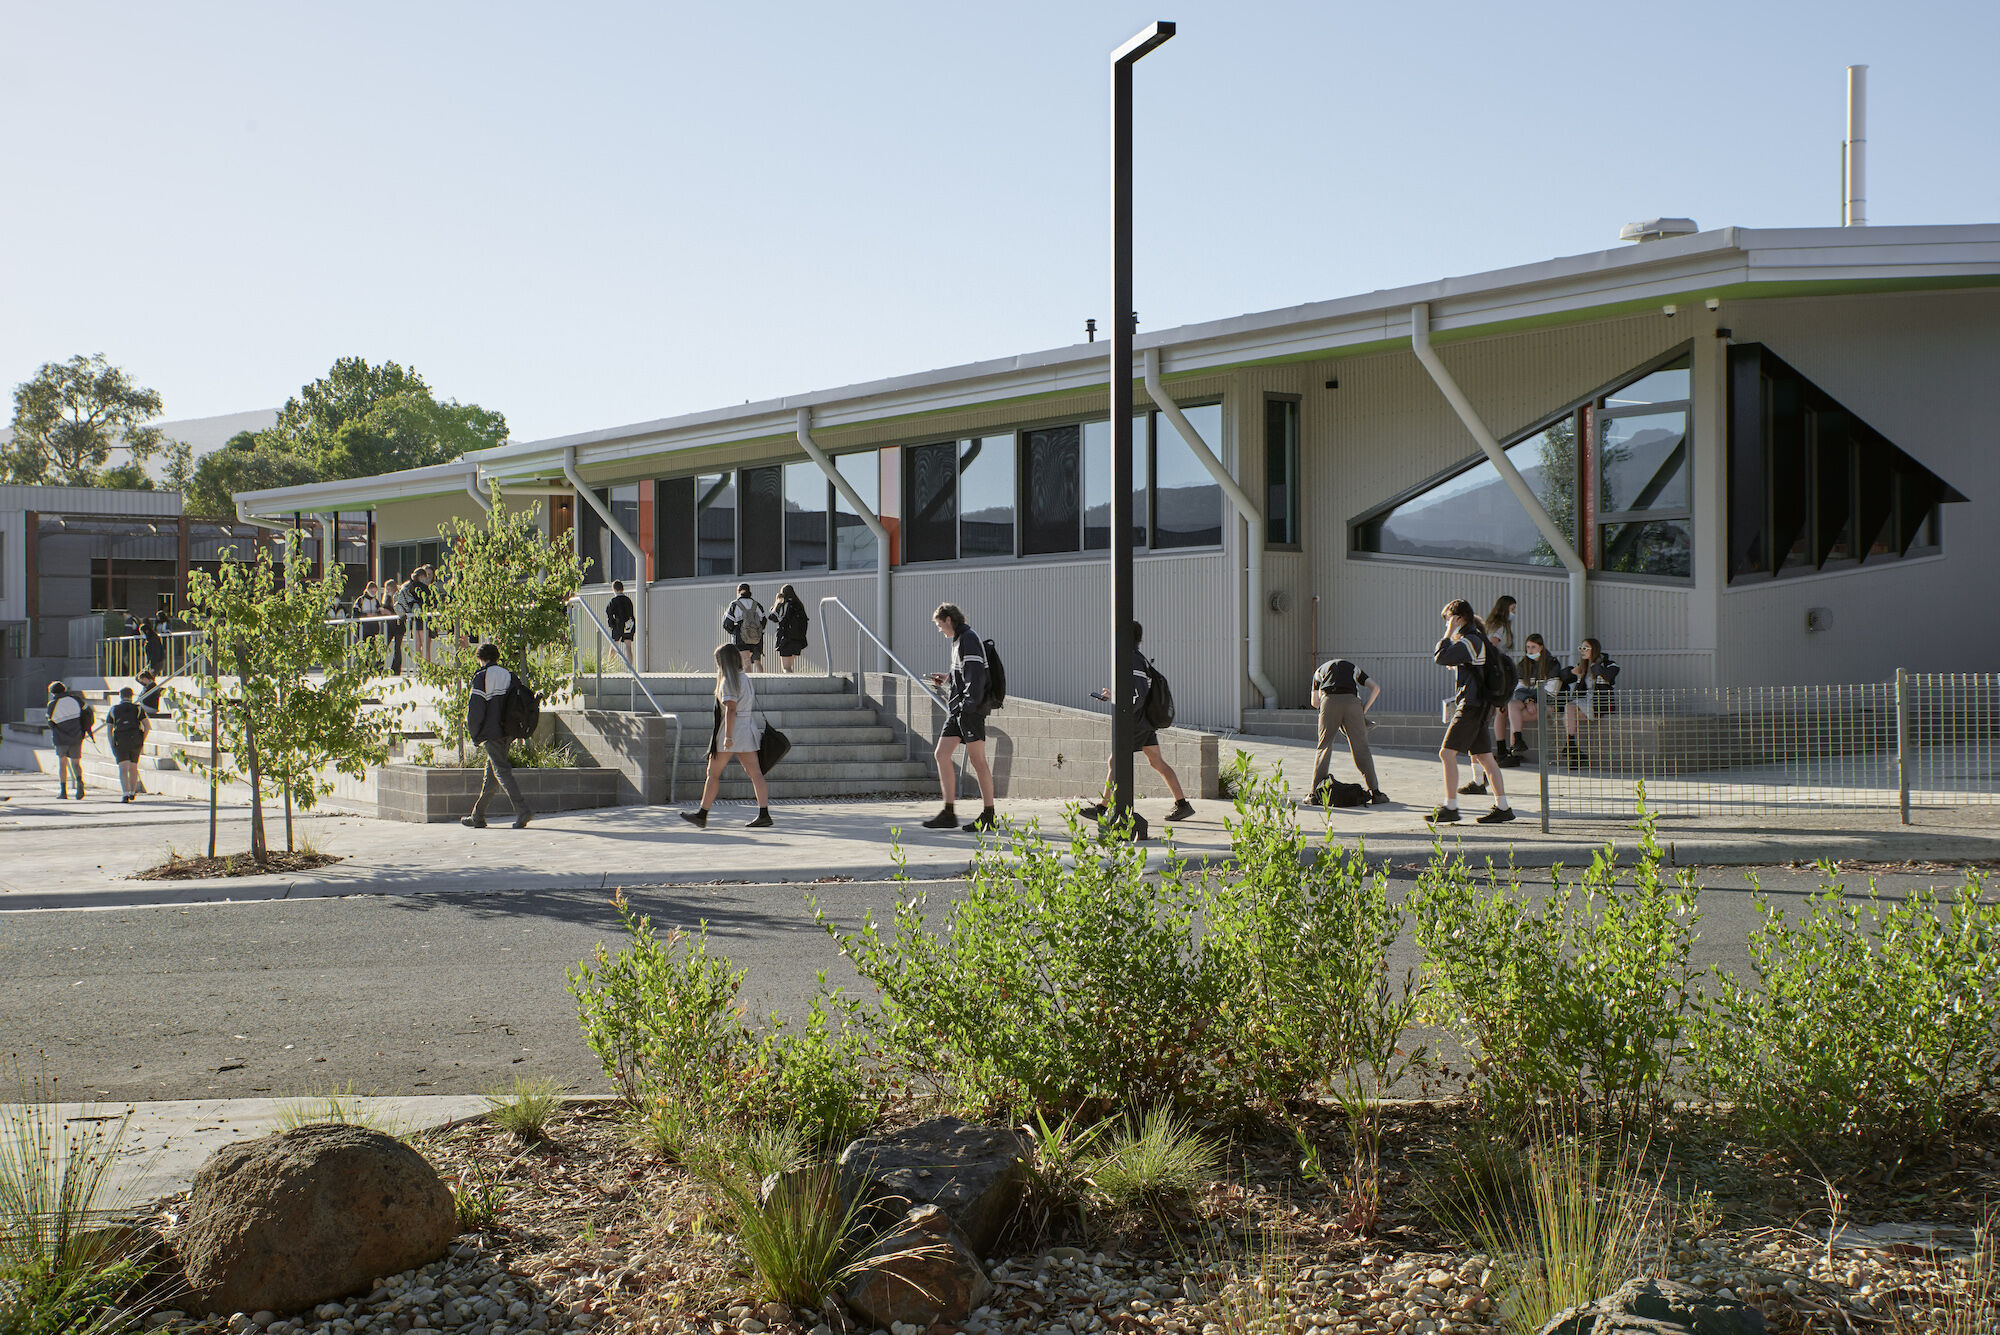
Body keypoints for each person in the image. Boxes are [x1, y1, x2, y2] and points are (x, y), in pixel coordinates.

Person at [1079, 622, 1195, 827]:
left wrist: (1118, 701)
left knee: (1115, 762)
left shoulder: (1131, 659)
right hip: (1145, 721)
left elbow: (1137, 695)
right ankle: (1182, 804)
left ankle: (1102, 808)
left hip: (1136, 722)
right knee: (1156, 762)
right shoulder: (1137, 658)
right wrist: (1112, 697)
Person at [1431, 599, 1513, 824]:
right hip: (1481, 705)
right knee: (1485, 757)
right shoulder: (1476, 639)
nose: (1447, 622)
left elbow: (1440, 657)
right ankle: (1503, 807)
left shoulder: (1471, 640)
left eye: (1448, 618)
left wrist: (1448, 632)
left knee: (1446, 754)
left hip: (1471, 705)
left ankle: (1451, 806)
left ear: (1458, 617)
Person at [922, 602, 997, 832]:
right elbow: (964, 673)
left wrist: (968, 705)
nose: (939, 629)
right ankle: (948, 812)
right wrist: (947, 678)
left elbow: (976, 677)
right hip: (958, 709)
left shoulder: (968, 638)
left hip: (969, 710)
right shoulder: (958, 640)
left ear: (948, 619)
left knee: (978, 761)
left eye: (939, 624)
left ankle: (989, 815)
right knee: (941, 754)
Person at [681, 643, 772, 829]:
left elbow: (731, 709)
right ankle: (764, 813)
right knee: (755, 773)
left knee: (712, 773)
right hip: (747, 728)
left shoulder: (728, 680)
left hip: (733, 730)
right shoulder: (744, 678)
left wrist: (728, 737)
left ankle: (702, 814)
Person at [460, 643, 533, 829]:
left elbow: (476, 709)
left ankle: (523, 810)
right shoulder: (509, 675)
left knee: (501, 771)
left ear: (480, 659)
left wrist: (475, 734)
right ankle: (477, 816)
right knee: (491, 776)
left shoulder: (482, 677)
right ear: (497, 657)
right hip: (508, 731)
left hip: (492, 733)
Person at [1309, 654, 1387, 805]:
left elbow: (1314, 702)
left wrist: (1329, 714)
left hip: (1329, 701)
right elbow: (1376, 688)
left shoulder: (1319, 672)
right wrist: (1362, 711)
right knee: (1361, 748)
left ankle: (1313, 794)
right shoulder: (1354, 668)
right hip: (1353, 704)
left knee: (1324, 747)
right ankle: (1375, 793)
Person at [1559, 638, 1621, 770]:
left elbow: (1609, 677)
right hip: (1584, 702)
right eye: (1580, 648)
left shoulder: (1609, 664)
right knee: (1569, 711)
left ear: (1595, 649)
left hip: (1598, 703)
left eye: (1586, 648)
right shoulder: (1582, 667)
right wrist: (1572, 672)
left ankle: (1573, 749)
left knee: (1569, 713)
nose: (1582, 651)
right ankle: (1574, 750)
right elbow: (1562, 677)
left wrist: (1594, 666)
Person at [1500, 634, 1562, 767]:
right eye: (1528, 647)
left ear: (1541, 647)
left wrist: (1532, 699)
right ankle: (1517, 743)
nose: (1530, 650)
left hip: (1547, 704)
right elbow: (1519, 690)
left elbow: (1551, 691)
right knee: (1512, 705)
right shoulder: (1523, 664)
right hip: (1530, 703)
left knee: (1515, 716)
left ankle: (1514, 752)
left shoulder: (1552, 664)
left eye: (1533, 647)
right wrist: (1528, 700)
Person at [46, 680, 92, 800]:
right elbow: (88, 712)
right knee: (76, 763)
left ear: (52, 692)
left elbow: (50, 721)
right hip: (77, 735)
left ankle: (63, 791)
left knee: (62, 763)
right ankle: (79, 781)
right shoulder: (76, 700)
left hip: (60, 737)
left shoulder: (52, 704)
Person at [108, 686, 150, 802]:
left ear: (120, 696)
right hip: (135, 740)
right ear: (132, 696)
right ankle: (132, 792)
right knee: (133, 767)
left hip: (121, 740)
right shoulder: (138, 708)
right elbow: (147, 726)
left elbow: (109, 729)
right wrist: (142, 740)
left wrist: (112, 744)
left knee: (123, 768)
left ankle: (125, 794)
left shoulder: (114, 709)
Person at [723, 584, 767, 671]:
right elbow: (764, 621)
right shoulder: (757, 604)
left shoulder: (735, 604)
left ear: (739, 592)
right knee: (757, 663)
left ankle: (748, 683)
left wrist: (734, 631)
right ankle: (761, 682)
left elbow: (727, 623)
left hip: (741, 637)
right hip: (756, 638)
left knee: (746, 662)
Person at [769, 585, 810, 672]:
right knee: (789, 666)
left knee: (786, 668)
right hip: (797, 640)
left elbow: (773, 617)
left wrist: (777, 601)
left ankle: (790, 684)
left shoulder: (784, 604)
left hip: (786, 640)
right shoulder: (799, 605)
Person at [605, 581, 636, 662]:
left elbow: (609, 614)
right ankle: (630, 668)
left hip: (618, 624)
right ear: (622, 589)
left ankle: (609, 666)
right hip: (628, 624)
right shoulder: (628, 600)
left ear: (614, 589)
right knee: (628, 646)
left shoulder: (613, 601)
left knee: (614, 645)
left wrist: (612, 625)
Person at [384, 578, 407, 674]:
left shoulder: (398, 596)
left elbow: (399, 609)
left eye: (389, 588)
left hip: (398, 624)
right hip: (389, 625)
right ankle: (379, 666)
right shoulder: (386, 597)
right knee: (384, 645)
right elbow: (384, 608)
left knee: (397, 647)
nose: (387, 591)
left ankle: (396, 669)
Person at [356, 581, 385, 650]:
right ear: (368, 590)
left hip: (374, 628)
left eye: (375, 592)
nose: (373, 593)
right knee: (364, 648)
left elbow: (380, 612)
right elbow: (355, 613)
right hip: (364, 628)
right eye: (372, 591)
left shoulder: (376, 601)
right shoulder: (361, 600)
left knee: (372, 649)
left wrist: (376, 614)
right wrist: (366, 615)